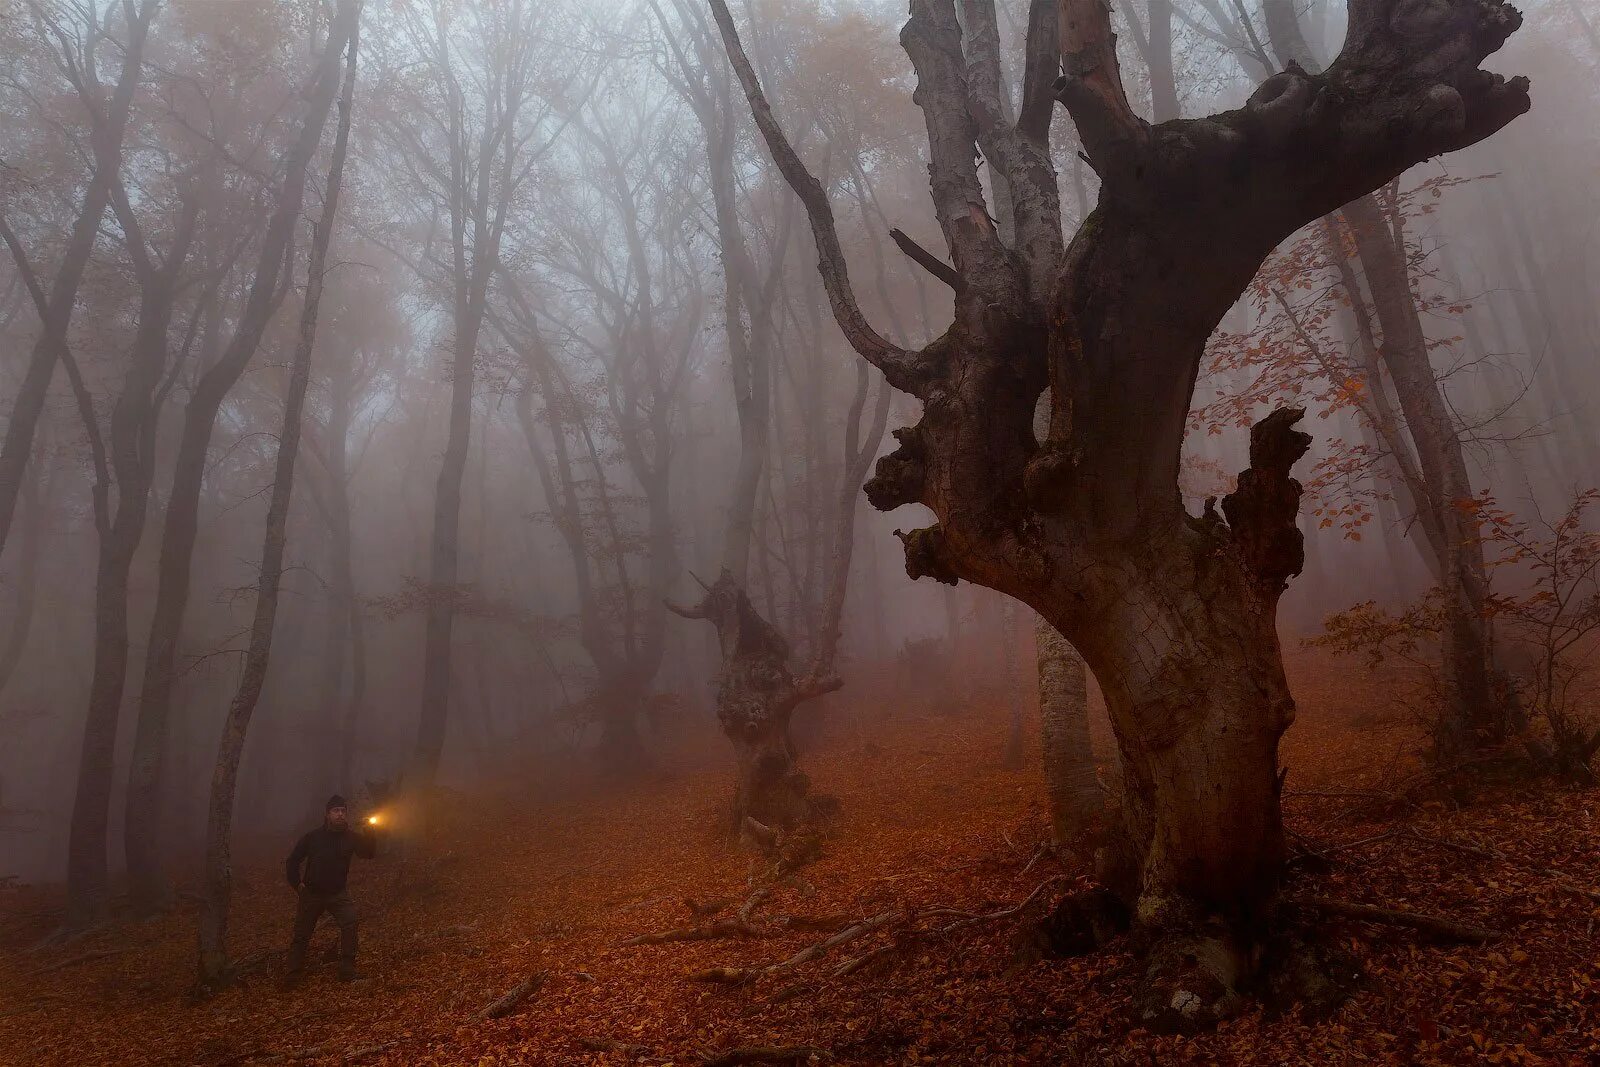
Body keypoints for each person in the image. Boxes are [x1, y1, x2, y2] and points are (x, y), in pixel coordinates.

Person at [283, 794, 377, 983]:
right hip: (312, 893)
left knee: (350, 923)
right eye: (336, 811)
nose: (340, 814)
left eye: (343, 811)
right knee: (302, 934)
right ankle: (292, 974)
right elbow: (293, 861)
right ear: (327, 814)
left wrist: (371, 834)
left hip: (337, 894)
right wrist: (297, 885)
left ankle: (347, 969)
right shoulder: (313, 837)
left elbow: (368, 854)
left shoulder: (351, 837)